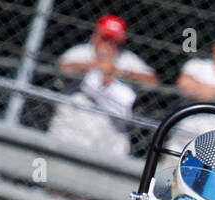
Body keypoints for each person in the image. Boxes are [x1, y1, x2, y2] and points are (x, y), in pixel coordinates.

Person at [48, 14, 157, 157]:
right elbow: (64, 68)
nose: (110, 46)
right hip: (70, 133)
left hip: (109, 141)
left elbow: (152, 82)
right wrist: (95, 66)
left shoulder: (126, 59)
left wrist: (119, 71)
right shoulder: (82, 52)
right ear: (95, 37)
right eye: (106, 39)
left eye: (116, 42)